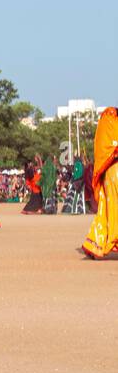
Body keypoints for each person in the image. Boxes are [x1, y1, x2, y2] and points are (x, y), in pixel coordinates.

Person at [83, 107, 118, 259]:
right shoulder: (110, 116)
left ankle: (96, 242)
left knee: (107, 208)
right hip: (113, 169)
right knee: (111, 207)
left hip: (112, 170)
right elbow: (105, 145)